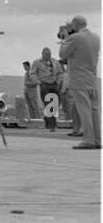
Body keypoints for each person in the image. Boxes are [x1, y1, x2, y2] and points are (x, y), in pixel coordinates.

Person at [60, 15, 100, 150]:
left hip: (79, 78)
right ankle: (98, 139)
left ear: (75, 25)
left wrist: (65, 37)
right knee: (94, 110)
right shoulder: (96, 38)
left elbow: (63, 54)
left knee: (84, 109)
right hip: (92, 78)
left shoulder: (75, 38)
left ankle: (88, 139)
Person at [31, 47, 60, 131]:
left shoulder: (55, 62)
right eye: (46, 54)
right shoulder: (37, 62)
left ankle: (47, 119)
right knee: (49, 104)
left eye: (49, 54)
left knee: (55, 104)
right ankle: (52, 126)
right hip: (44, 84)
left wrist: (58, 81)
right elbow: (32, 73)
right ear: (42, 54)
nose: (48, 56)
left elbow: (60, 72)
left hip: (54, 84)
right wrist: (38, 82)